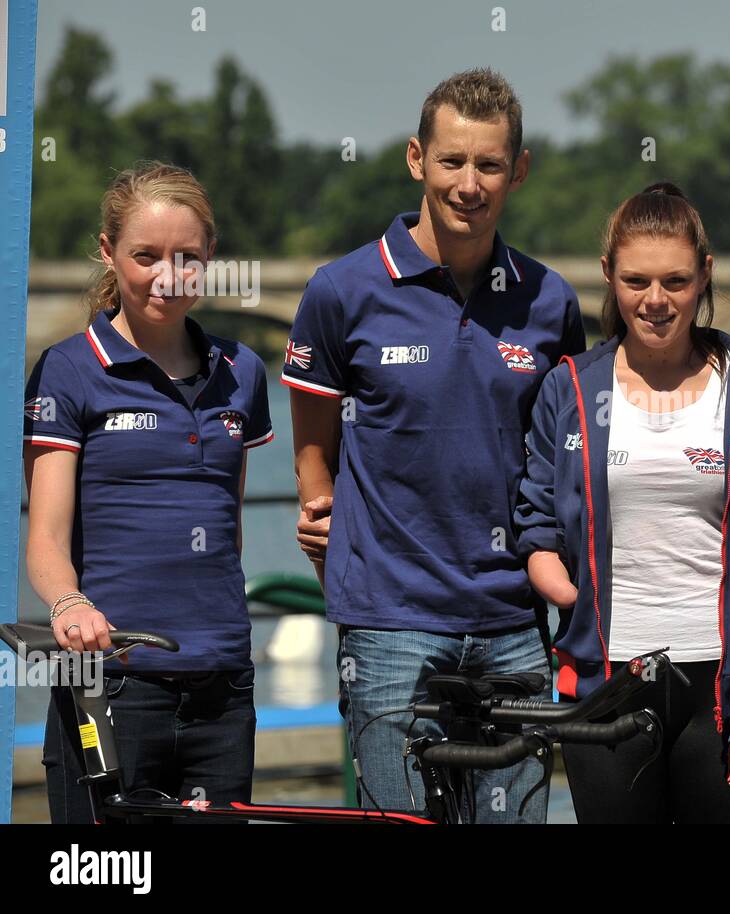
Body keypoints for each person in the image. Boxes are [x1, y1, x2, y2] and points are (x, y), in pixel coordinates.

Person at [284, 69, 585, 822]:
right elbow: (312, 450)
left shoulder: (550, 303)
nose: (468, 184)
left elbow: (567, 459)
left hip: (514, 626)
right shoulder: (341, 292)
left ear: (517, 170)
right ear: (417, 158)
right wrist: (326, 522)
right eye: (452, 161)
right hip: (388, 627)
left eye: (488, 165)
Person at [514, 183, 730, 824]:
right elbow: (534, 512)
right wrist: (552, 577)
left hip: (722, 690)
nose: (655, 301)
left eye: (675, 281)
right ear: (608, 278)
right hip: (608, 686)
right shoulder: (568, 389)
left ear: (705, 275)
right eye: (635, 280)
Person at [24, 161, 273, 823]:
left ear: (211, 258)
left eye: (188, 257)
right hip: (109, 680)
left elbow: (228, 526)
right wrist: (69, 602)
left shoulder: (244, 372)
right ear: (108, 252)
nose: (168, 275)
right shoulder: (68, 369)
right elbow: (45, 538)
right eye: (146, 255)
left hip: (222, 683)